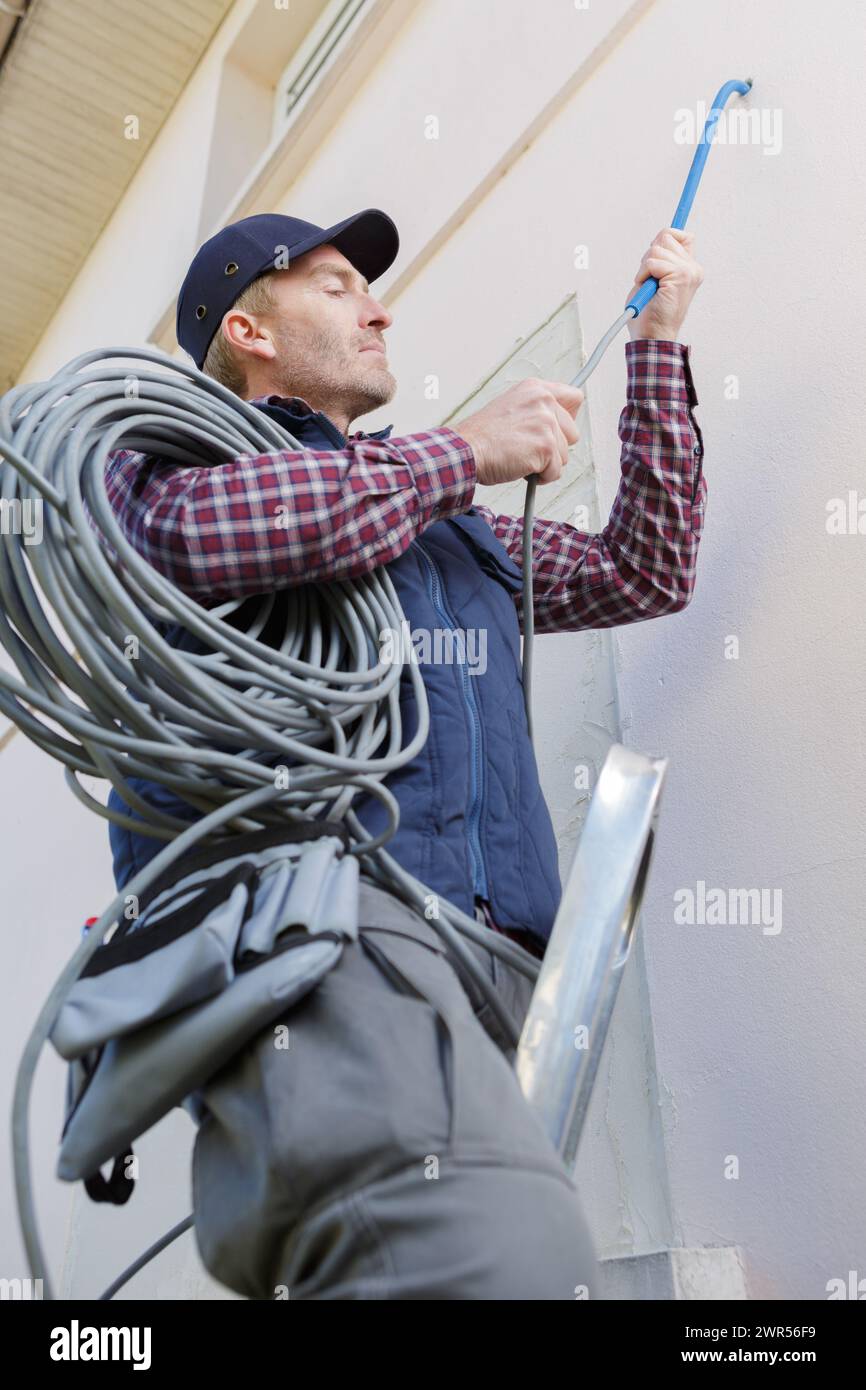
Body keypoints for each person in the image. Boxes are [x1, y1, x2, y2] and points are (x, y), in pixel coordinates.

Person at [103, 209, 706, 1299]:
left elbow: (643, 570)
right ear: (248, 329)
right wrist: (466, 449)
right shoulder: (170, 465)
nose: (378, 306)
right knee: (488, 1258)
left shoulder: (445, 524)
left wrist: (658, 346)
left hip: (498, 963)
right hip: (329, 934)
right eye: (335, 287)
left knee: (454, 1260)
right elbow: (211, 536)